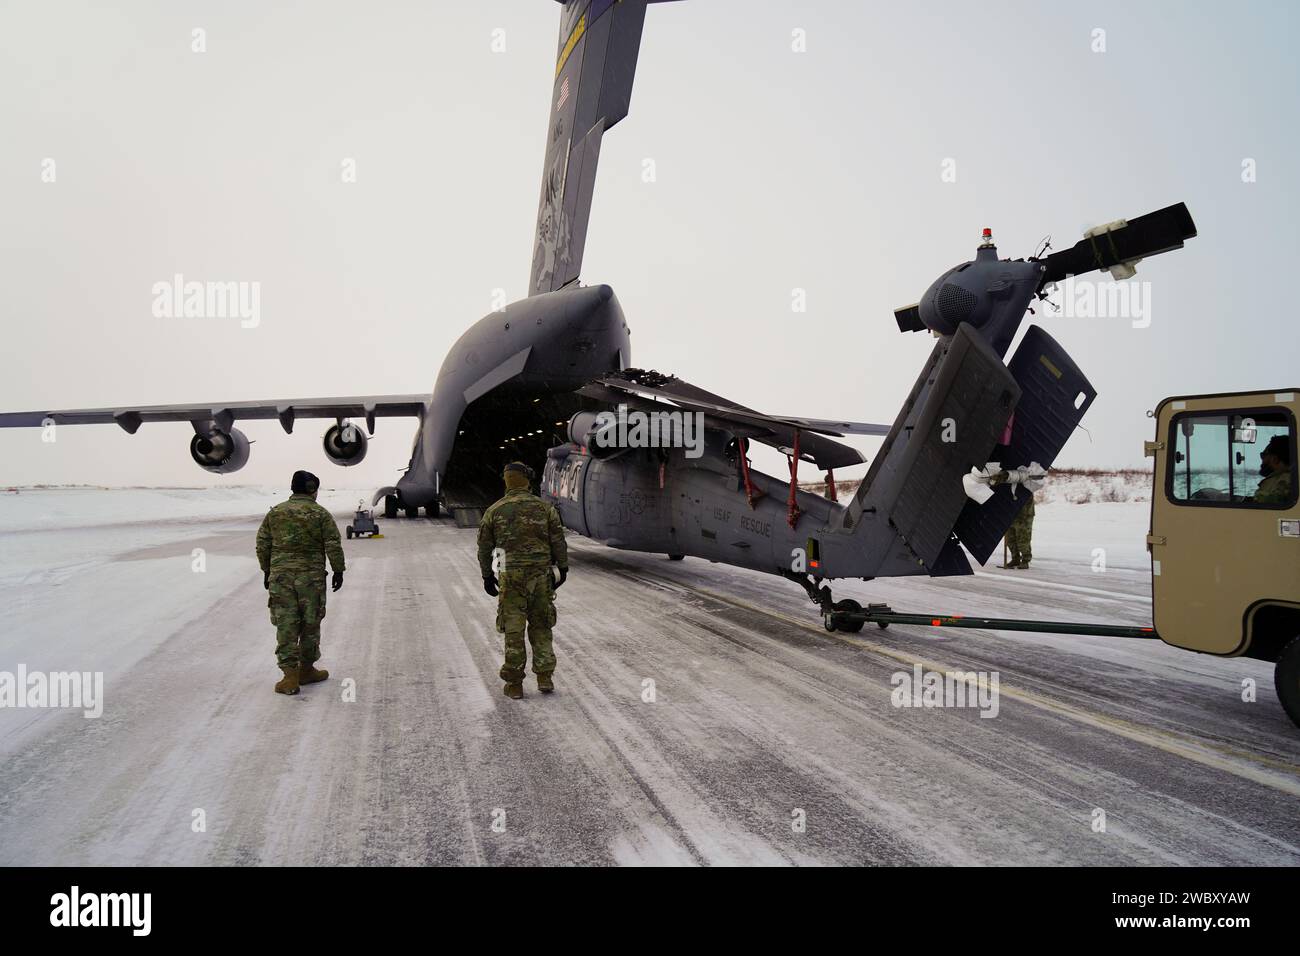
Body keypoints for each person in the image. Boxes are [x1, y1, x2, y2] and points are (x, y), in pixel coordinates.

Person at [477, 462, 568, 699]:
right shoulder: (544, 508)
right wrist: (563, 567)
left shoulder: (495, 510)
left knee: (514, 631)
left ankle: (515, 684)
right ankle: (545, 677)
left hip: (510, 575)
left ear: (507, 480)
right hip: (540, 575)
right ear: (526, 480)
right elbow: (558, 540)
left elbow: (484, 547)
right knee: (541, 625)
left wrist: (487, 575)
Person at [256, 470, 345, 695]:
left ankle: (289, 676)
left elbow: (262, 543)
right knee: (310, 622)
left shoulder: (275, 513)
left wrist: (267, 570)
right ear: (312, 489)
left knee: (286, 623)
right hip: (311, 580)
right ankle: (305, 669)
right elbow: (332, 543)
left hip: (281, 578)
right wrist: (338, 570)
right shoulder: (320, 514)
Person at [1252, 435, 1292, 505]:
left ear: (1275, 459)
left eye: (1263, 455)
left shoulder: (1285, 480)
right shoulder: (1281, 478)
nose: (1262, 460)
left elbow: (1262, 502)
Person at [1003, 492, 1035, 570]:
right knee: (1010, 539)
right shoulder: (1009, 486)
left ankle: (1025, 560)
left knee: (1023, 539)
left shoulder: (1026, 487)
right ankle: (1015, 559)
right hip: (1011, 516)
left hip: (1024, 517)